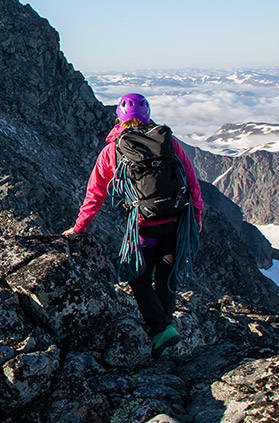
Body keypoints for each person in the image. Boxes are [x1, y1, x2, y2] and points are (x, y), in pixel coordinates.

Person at [63, 93, 203, 358]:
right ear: (147, 115)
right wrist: (196, 217)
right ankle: (163, 334)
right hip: (176, 224)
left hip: (144, 226)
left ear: (119, 117)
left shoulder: (113, 150)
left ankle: (161, 330)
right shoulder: (169, 142)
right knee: (166, 279)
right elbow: (192, 183)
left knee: (137, 278)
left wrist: (79, 228)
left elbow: (95, 194)